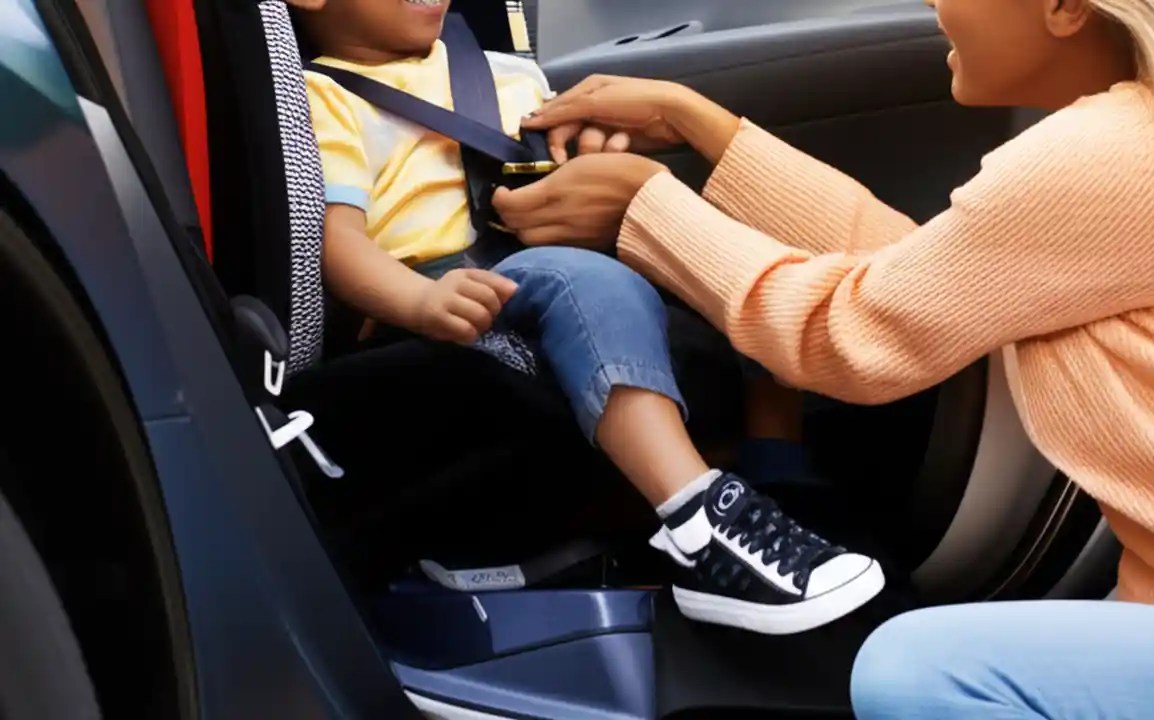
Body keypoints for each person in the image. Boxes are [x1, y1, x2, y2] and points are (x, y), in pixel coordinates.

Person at [492, 0, 1154, 715]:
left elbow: (846, 335)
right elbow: (929, 274)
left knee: (917, 669)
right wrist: (705, 128)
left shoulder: (1117, 152)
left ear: (1066, 8)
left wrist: (646, 207)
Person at [285, 0, 886, 635]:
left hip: (548, 259)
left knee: (737, 266)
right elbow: (336, 241)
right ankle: (698, 518)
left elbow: (565, 168)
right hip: (447, 284)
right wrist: (416, 301)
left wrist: (591, 162)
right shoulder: (324, 97)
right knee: (587, 281)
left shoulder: (505, 75)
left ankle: (772, 467)